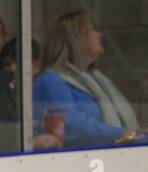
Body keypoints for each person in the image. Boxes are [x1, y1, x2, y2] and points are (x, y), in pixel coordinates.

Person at [33, 10, 143, 149]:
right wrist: (130, 136)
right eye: (92, 30)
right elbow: (73, 128)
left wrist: (134, 136)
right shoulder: (51, 82)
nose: (99, 35)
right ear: (75, 39)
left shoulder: (98, 81)